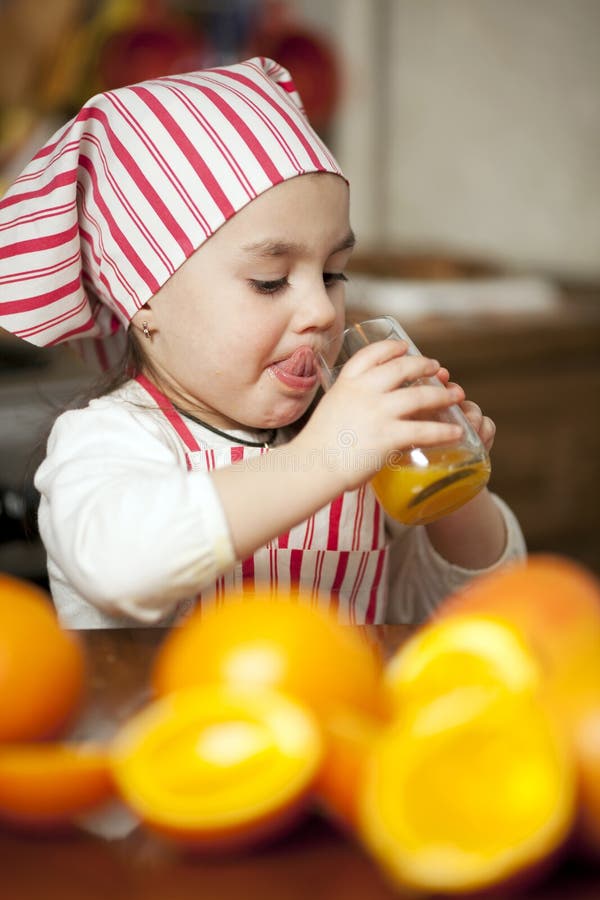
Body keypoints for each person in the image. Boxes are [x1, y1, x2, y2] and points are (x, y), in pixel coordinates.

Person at [0, 57, 525, 628]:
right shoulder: (108, 440)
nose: (322, 311)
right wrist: (324, 456)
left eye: (333, 274)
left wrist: (454, 490)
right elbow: (121, 567)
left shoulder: (359, 445)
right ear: (143, 301)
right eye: (269, 282)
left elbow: (471, 612)